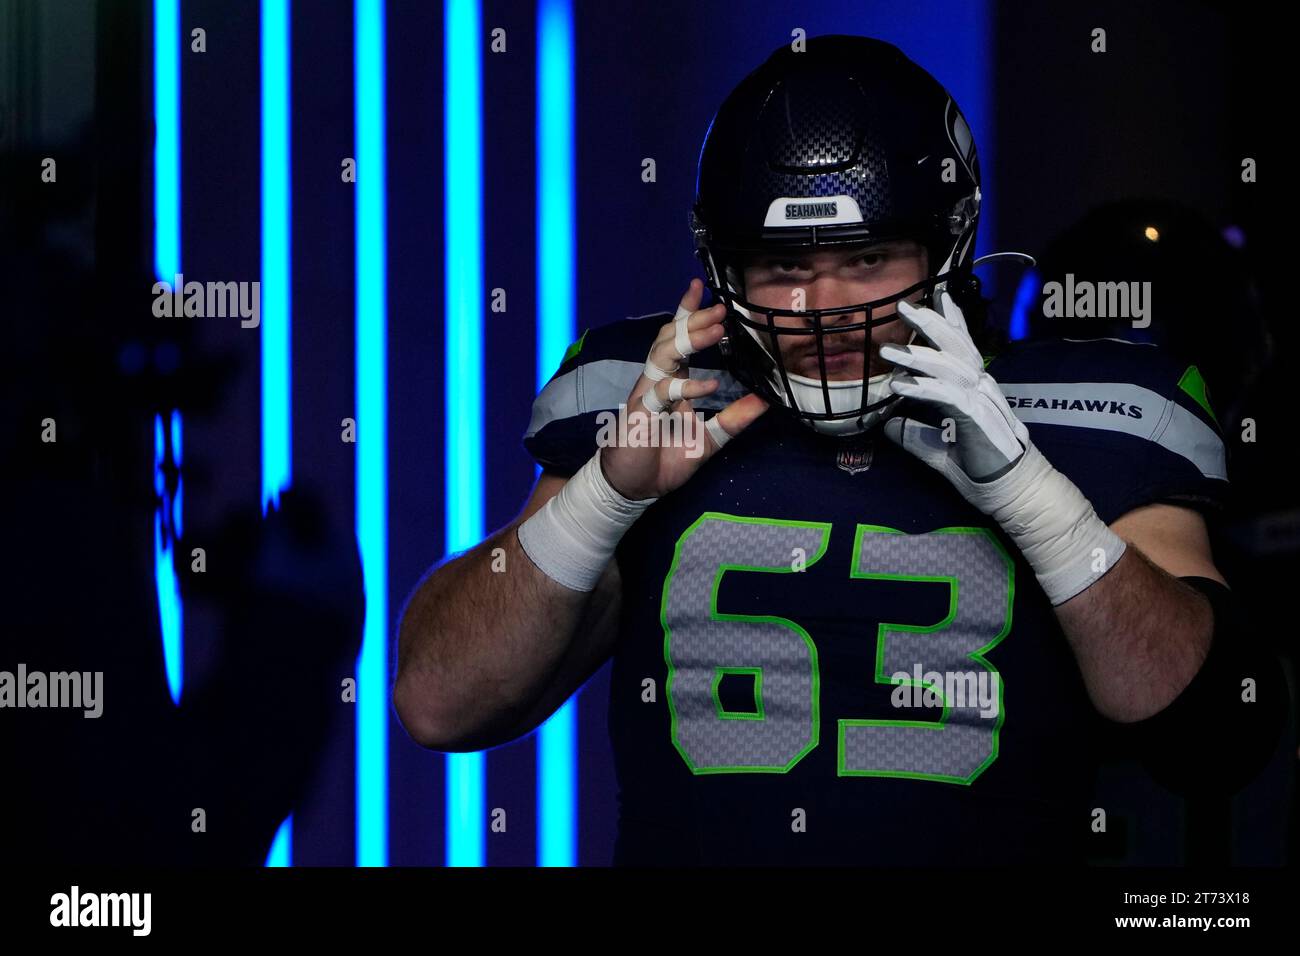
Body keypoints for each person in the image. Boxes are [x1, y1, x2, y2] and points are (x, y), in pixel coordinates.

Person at [394, 35, 1284, 865]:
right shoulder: (657, 389)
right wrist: (602, 499)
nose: (822, 308)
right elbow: (440, 704)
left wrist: (1031, 496)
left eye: (866, 259)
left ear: (947, 244)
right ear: (725, 265)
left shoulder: (1089, 407)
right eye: (783, 265)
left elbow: (1214, 737)